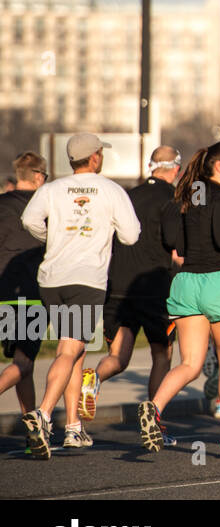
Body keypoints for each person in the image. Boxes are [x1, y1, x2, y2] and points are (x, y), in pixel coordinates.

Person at [134, 141, 220, 455]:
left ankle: (154, 407)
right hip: (219, 282)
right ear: (218, 166)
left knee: (190, 363)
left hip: (187, 283)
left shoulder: (188, 191)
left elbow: (173, 239)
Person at [19, 135, 140, 458]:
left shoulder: (51, 189)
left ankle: (73, 428)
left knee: (73, 349)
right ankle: (42, 415)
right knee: (69, 349)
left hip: (52, 278)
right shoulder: (111, 190)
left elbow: (29, 220)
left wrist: (53, 238)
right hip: (85, 280)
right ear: (95, 158)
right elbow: (131, 235)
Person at [78, 146, 182, 433]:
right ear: (176, 169)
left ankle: (94, 378)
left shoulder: (127, 195)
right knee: (162, 353)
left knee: (118, 356)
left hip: (119, 286)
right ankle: (154, 420)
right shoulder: (171, 198)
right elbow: (175, 241)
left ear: (151, 166)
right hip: (153, 288)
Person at [0, 153, 48, 416]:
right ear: (39, 176)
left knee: (22, 361)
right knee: (24, 361)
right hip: (31, 292)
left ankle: (31, 427)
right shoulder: (46, 207)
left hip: (4, 291)